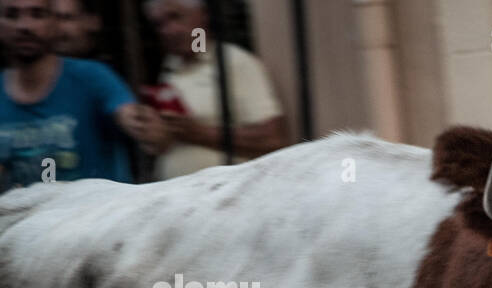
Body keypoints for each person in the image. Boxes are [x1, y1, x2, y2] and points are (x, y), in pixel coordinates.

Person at [0, 0, 152, 190]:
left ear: (55, 23)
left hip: (97, 215)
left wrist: (141, 123)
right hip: (26, 217)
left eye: (37, 14)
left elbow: (128, 114)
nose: (24, 26)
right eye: (12, 15)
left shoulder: (92, 77)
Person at [140, 0, 288, 180]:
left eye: (175, 16)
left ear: (202, 15)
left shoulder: (234, 62)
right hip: (179, 198)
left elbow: (272, 139)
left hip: (226, 196)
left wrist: (200, 133)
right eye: (159, 24)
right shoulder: (170, 69)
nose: (168, 30)